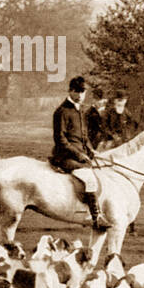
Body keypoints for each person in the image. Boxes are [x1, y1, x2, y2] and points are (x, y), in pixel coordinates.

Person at [50, 76, 103, 230]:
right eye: (77, 92)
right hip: (64, 156)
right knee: (88, 177)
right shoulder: (62, 111)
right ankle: (96, 216)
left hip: (80, 153)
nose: (80, 95)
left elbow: (84, 136)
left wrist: (91, 149)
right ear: (70, 91)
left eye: (83, 92)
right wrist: (79, 154)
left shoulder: (81, 110)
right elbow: (60, 139)